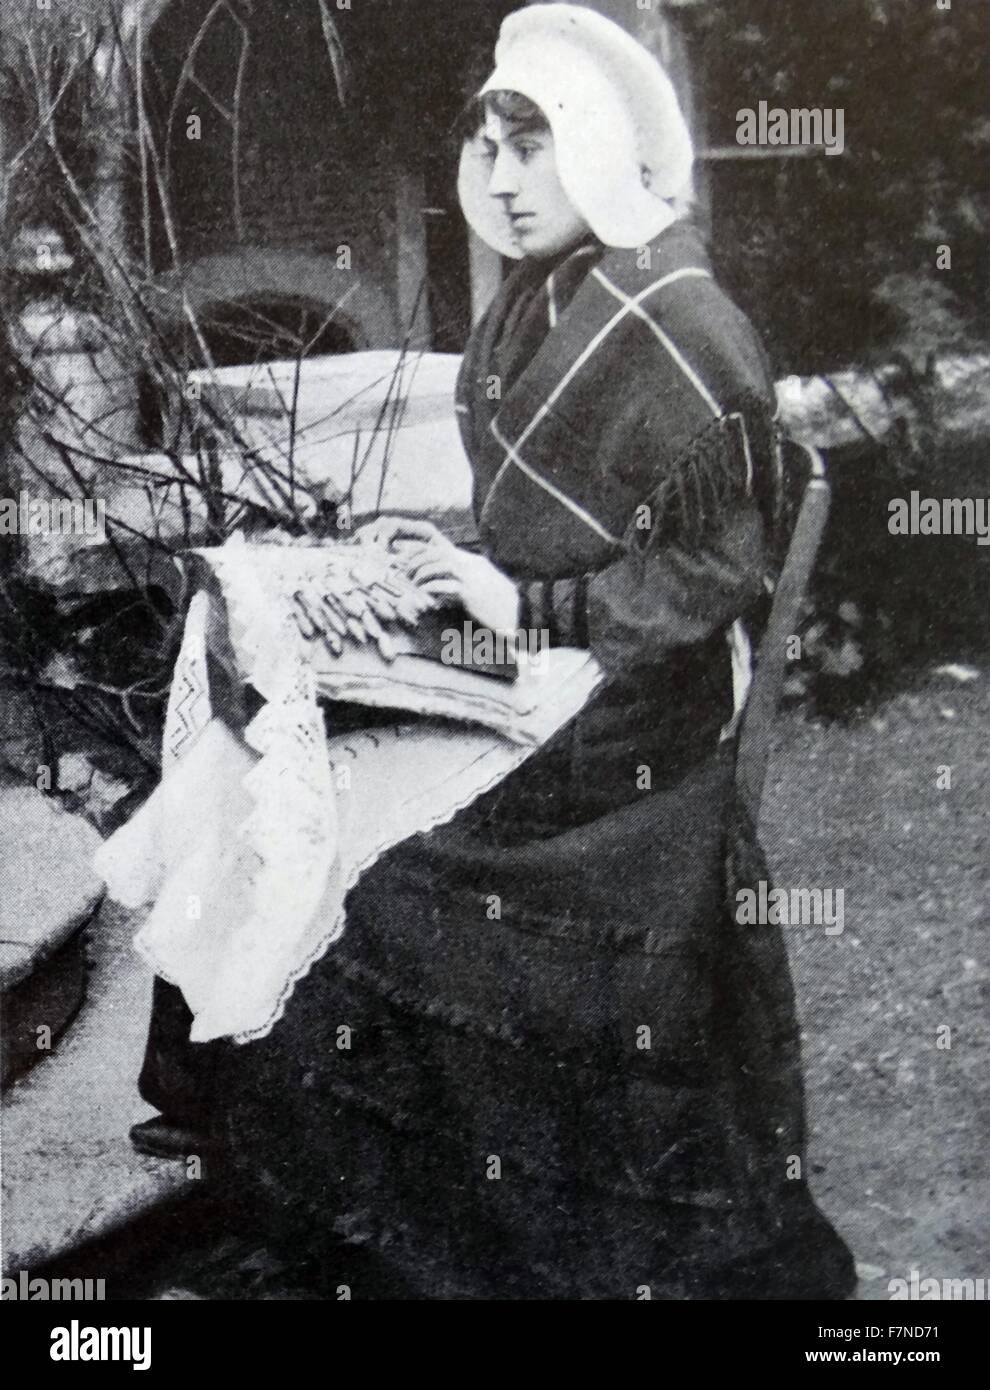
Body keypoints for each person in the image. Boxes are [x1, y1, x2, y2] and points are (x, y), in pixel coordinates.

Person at [136, 3, 856, 1299]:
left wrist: (519, 609)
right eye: (492, 148)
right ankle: (257, 1136)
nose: (509, 183)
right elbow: (545, 520)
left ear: (595, 147)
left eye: (537, 147)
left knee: (357, 814)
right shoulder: (544, 294)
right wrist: (442, 554)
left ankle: (357, 1187)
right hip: (556, 666)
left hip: (631, 731)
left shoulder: (679, 318)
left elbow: (699, 579)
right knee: (279, 713)